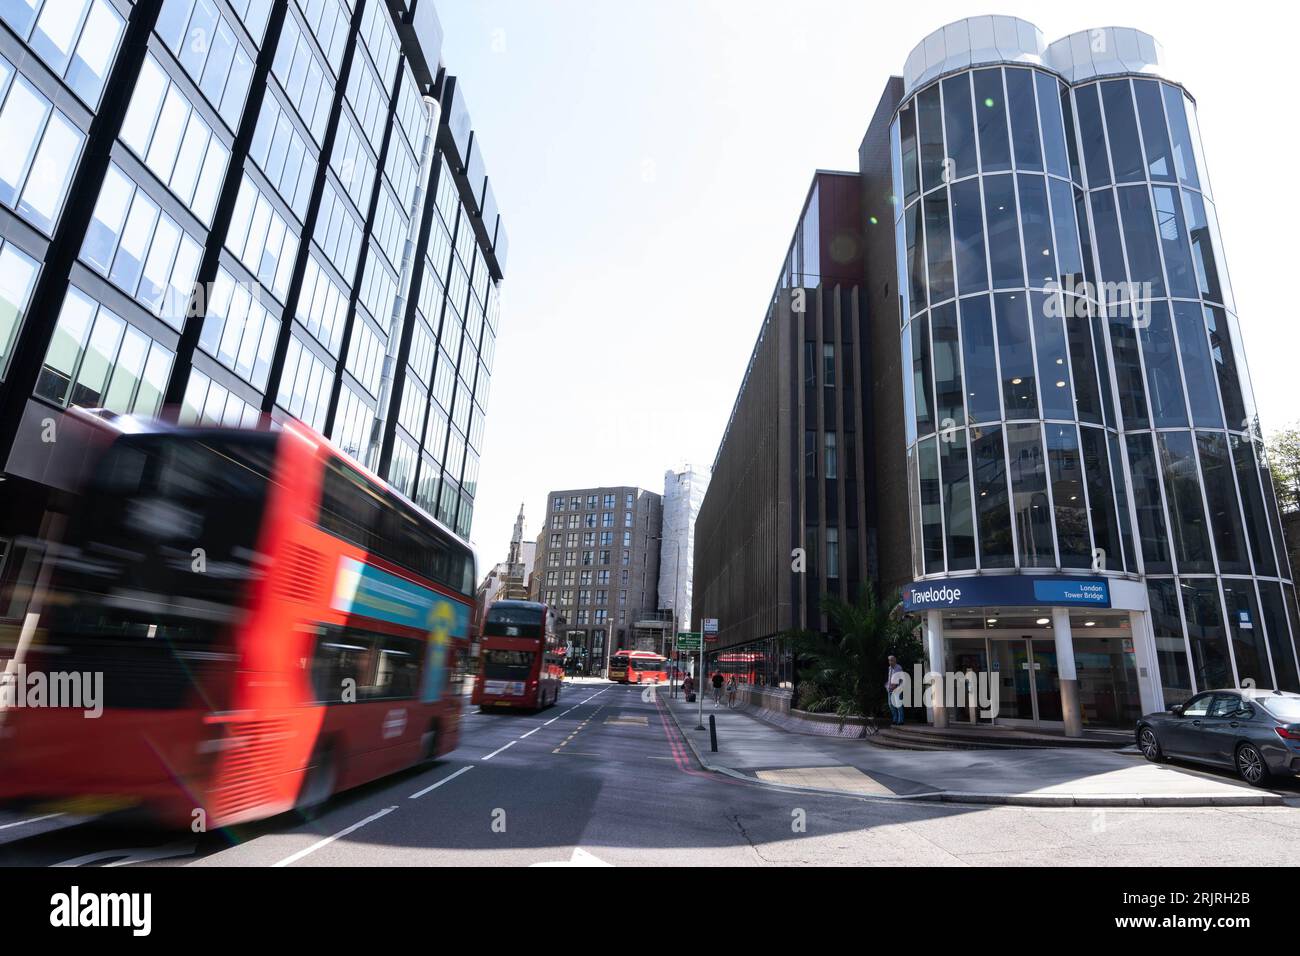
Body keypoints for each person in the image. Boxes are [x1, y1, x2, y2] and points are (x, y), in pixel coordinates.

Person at [885, 655, 906, 726]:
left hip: (897, 689)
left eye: (892, 660)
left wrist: (894, 686)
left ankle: (900, 720)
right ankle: (895, 719)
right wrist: (887, 686)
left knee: (898, 704)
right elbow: (889, 678)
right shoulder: (889, 668)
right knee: (891, 704)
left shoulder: (898, 668)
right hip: (890, 689)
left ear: (895, 660)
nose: (890, 662)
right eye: (889, 660)